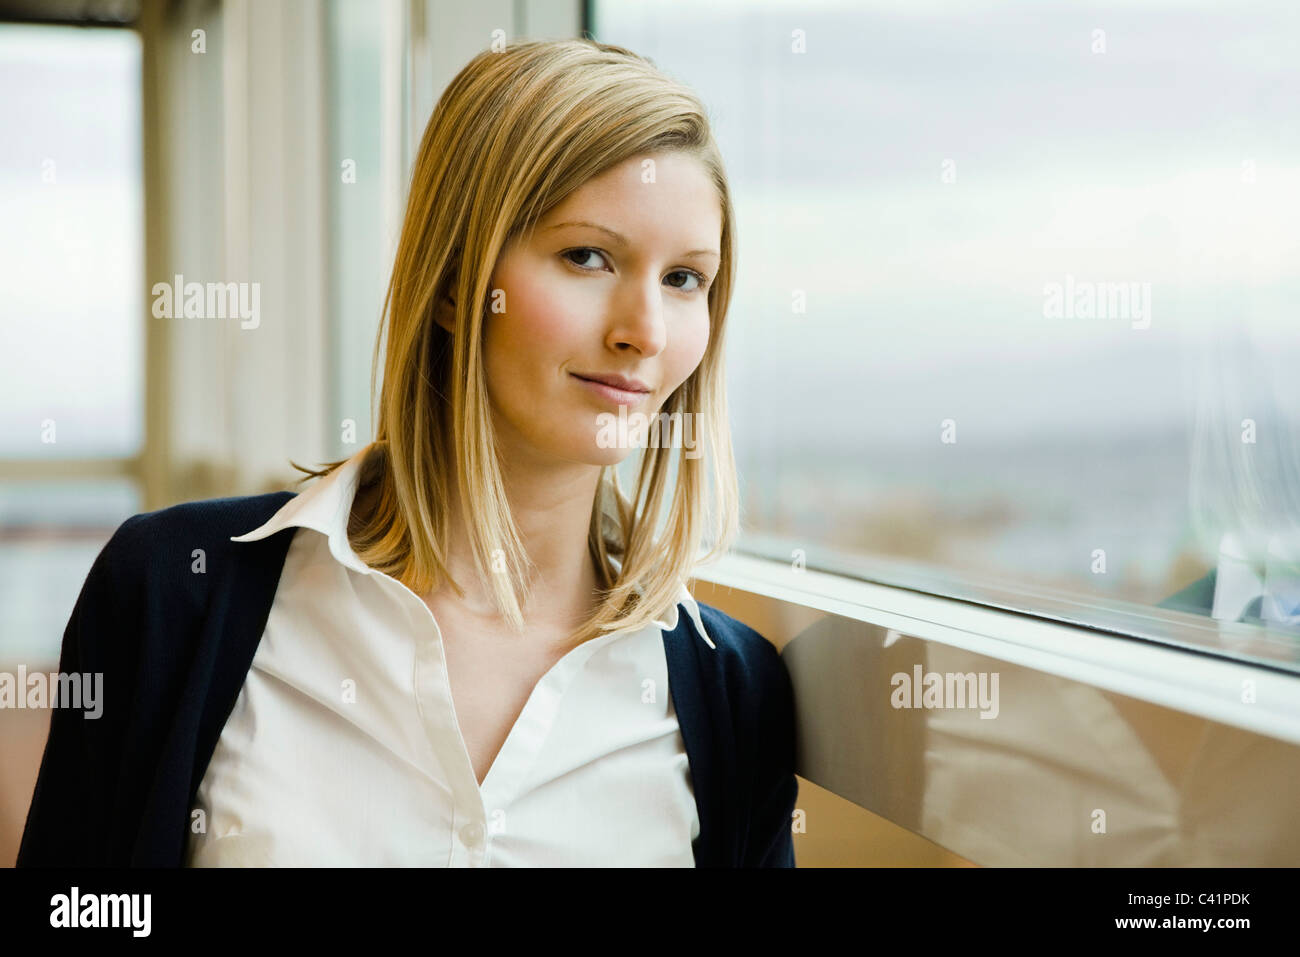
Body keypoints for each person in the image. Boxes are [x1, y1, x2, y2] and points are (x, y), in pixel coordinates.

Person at [17, 37, 797, 867]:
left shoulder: (731, 694)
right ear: (459, 280)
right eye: (587, 256)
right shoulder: (173, 592)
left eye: (685, 279)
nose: (644, 331)